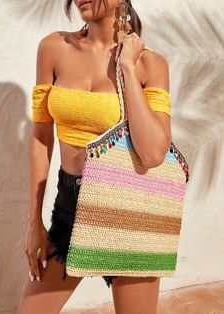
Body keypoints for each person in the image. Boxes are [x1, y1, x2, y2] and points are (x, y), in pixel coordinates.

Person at [18, 0, 172, 313]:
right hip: (70, 207)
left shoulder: (149, 64)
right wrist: (34, 221)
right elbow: (40, 136)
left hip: (130, 214)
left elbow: (154, 153)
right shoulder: (53, 47)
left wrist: (126, 67)